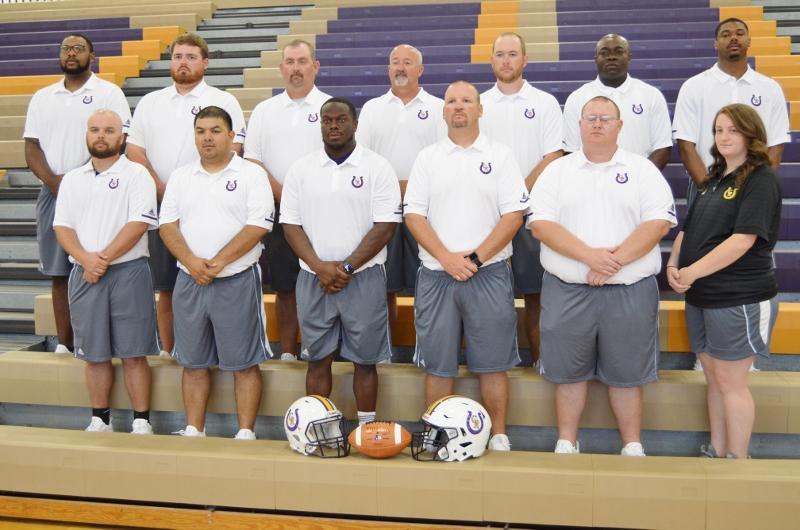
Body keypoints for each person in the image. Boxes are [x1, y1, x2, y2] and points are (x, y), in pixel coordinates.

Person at [529, 96, 676, 456]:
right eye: (590, 118)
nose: (597, 123)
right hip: (568, 290)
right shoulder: (557, 171)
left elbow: (658, 223)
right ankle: (566, 441)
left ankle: (632, 444)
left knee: (628, 374)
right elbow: (541, 225)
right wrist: (590, 257)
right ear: (579, 125)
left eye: (605, 118)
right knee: (568, 372)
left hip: (629, 290)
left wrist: (612, 262)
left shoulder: (642, 170)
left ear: (620, 125)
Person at [404, 80, 528, 452]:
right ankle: (434, 433)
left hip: (488, 273)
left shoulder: (501, 155)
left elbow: (514, 215)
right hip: (437, 274)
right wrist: (446, 257)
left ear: (480, 109)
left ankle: (499, 434)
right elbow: (414, 215)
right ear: (443, 111)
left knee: (492, 363)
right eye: (451, 101)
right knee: (438, 365)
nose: (458, 106)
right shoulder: (427, 158)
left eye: (466, 101)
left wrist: (474, 259)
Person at [673, 17, 789, 371]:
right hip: (708, 183)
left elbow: (775, 144)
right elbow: (686, 144)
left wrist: (750, 184)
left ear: (749, 40)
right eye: (725, 34)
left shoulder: (769, 88)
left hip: (752, 187)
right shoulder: (696, 86)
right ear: (716, 43)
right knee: (702, 252)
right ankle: (708, 350)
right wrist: (713, 188)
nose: (733, 38)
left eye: (739, 33)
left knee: (746, 254)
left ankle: (741, 353)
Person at [667, 104, 781, 459]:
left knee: (732, 382)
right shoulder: (713, 178)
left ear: (751, 134)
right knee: (714, 377)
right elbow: (687, 230)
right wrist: (673, 263)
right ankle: (717, 450)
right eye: (718, 130)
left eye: (733, 130)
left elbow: (742, 240)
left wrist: (692, 272)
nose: (724, 136)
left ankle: (738, 459)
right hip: (702, 296)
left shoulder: (760, 179)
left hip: (738, 296)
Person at [281, 97, 401, 427]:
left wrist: (346, 267)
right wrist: (320, 267)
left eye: (341, 119)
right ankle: (319, 426)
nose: (333, 125)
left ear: (355, 124)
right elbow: (290, 225)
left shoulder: (377, 167)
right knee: (318, 360)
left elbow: (385, 225)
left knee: (365, 361)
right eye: (327, 120)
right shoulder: (301, 169)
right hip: (314, 277)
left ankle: (367, 429)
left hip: (363, 277)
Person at [127, 33, 246, 357]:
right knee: (167, 285)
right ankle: (170, 352)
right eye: (178, 56)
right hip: (162, 206)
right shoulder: (151, 102)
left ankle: (220, 353)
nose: (183, 62)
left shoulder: (223, 101)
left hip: (210, 206)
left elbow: (234, 148)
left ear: (205, 63)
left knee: (214, 275)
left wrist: (191, 187)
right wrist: (162, 188)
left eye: (191, 57)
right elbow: (134, 150)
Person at [159, 106, 273, 439]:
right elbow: (167, 225)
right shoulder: (181, 176)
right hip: (190, 280)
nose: (207, 138)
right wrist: (191, 261)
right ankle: (194, 429)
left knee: (244, 363)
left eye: (215, 131)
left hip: (236, 280)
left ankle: (245, 433)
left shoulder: (251, 175)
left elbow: (259, 225)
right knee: (193, 363)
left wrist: (220, 261)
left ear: (232, 135)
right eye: (201, 131)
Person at [24, 33, 131, 355]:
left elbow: (120, 139)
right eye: (66, 49)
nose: (71, 53)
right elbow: (31, 147)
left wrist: (77, 179)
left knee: (100, 265)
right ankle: (65, 344)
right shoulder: (43, 97)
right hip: (53, 192)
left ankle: (102, 343)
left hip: (101, 189)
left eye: (79, 49)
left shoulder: (108, 92)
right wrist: (56, 182)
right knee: (59, 272)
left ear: (92, 55)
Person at [52, 109, 158, 434]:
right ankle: (100, 418)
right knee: (94, 354)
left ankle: (142, 420)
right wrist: (85, 259)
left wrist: (101, 260)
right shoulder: (72, 179)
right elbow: (62, 227)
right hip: (85, 273)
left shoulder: (137, 175)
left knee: (134, 352)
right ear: (87, 134)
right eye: (95, 129)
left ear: (122, 136)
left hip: (128, 271)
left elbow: (139, 223)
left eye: (109, 130)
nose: (101, 135)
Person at [480, 32, 563, 367]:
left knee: (536, 295)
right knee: (489, 296)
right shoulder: (478, 104)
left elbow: (553, 155)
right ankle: (493, 364)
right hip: (488, 215)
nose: (506, 60)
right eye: (500, 54)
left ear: (525, 59)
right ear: (491, 60)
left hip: (532, 213)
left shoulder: (544, 103)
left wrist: (517, 195)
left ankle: (542, 363)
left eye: (512, 54)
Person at [244, 39, 330, 362]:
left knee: (321, 278)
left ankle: (319, 347)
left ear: (315, 67)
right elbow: (253, 161)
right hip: (279, 210)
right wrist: (287, 198)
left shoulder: (330, 107)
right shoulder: (264, 111)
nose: (296, 68)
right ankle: (289, 351)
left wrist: (309, 200)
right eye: (290, 62)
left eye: (302, 61)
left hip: (322, 211)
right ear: (281, 68)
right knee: (285, 284)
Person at [356, 44, 445, 336]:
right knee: (384, 284)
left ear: (420, 70)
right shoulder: (372, 109)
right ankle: (385, 347)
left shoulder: (437, 108)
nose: (401, 67)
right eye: (395, 62)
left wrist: (412, 189)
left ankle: (427, 346)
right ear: (388, 69)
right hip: (384, 211)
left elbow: (443, 159)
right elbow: (363, 160)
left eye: (408, 62)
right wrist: (393, 189)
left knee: (429, 281)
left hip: (427, 211)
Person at [562, 34, 672, 169]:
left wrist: (640, 177)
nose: (611, 57)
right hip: (590, 179)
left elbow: (663, 148)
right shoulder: (577, 98)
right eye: (604, 53)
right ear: (596, 59)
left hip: (640, 179)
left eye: (619, 52)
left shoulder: (651, 95)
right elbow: (571, 151)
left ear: (629, 57)